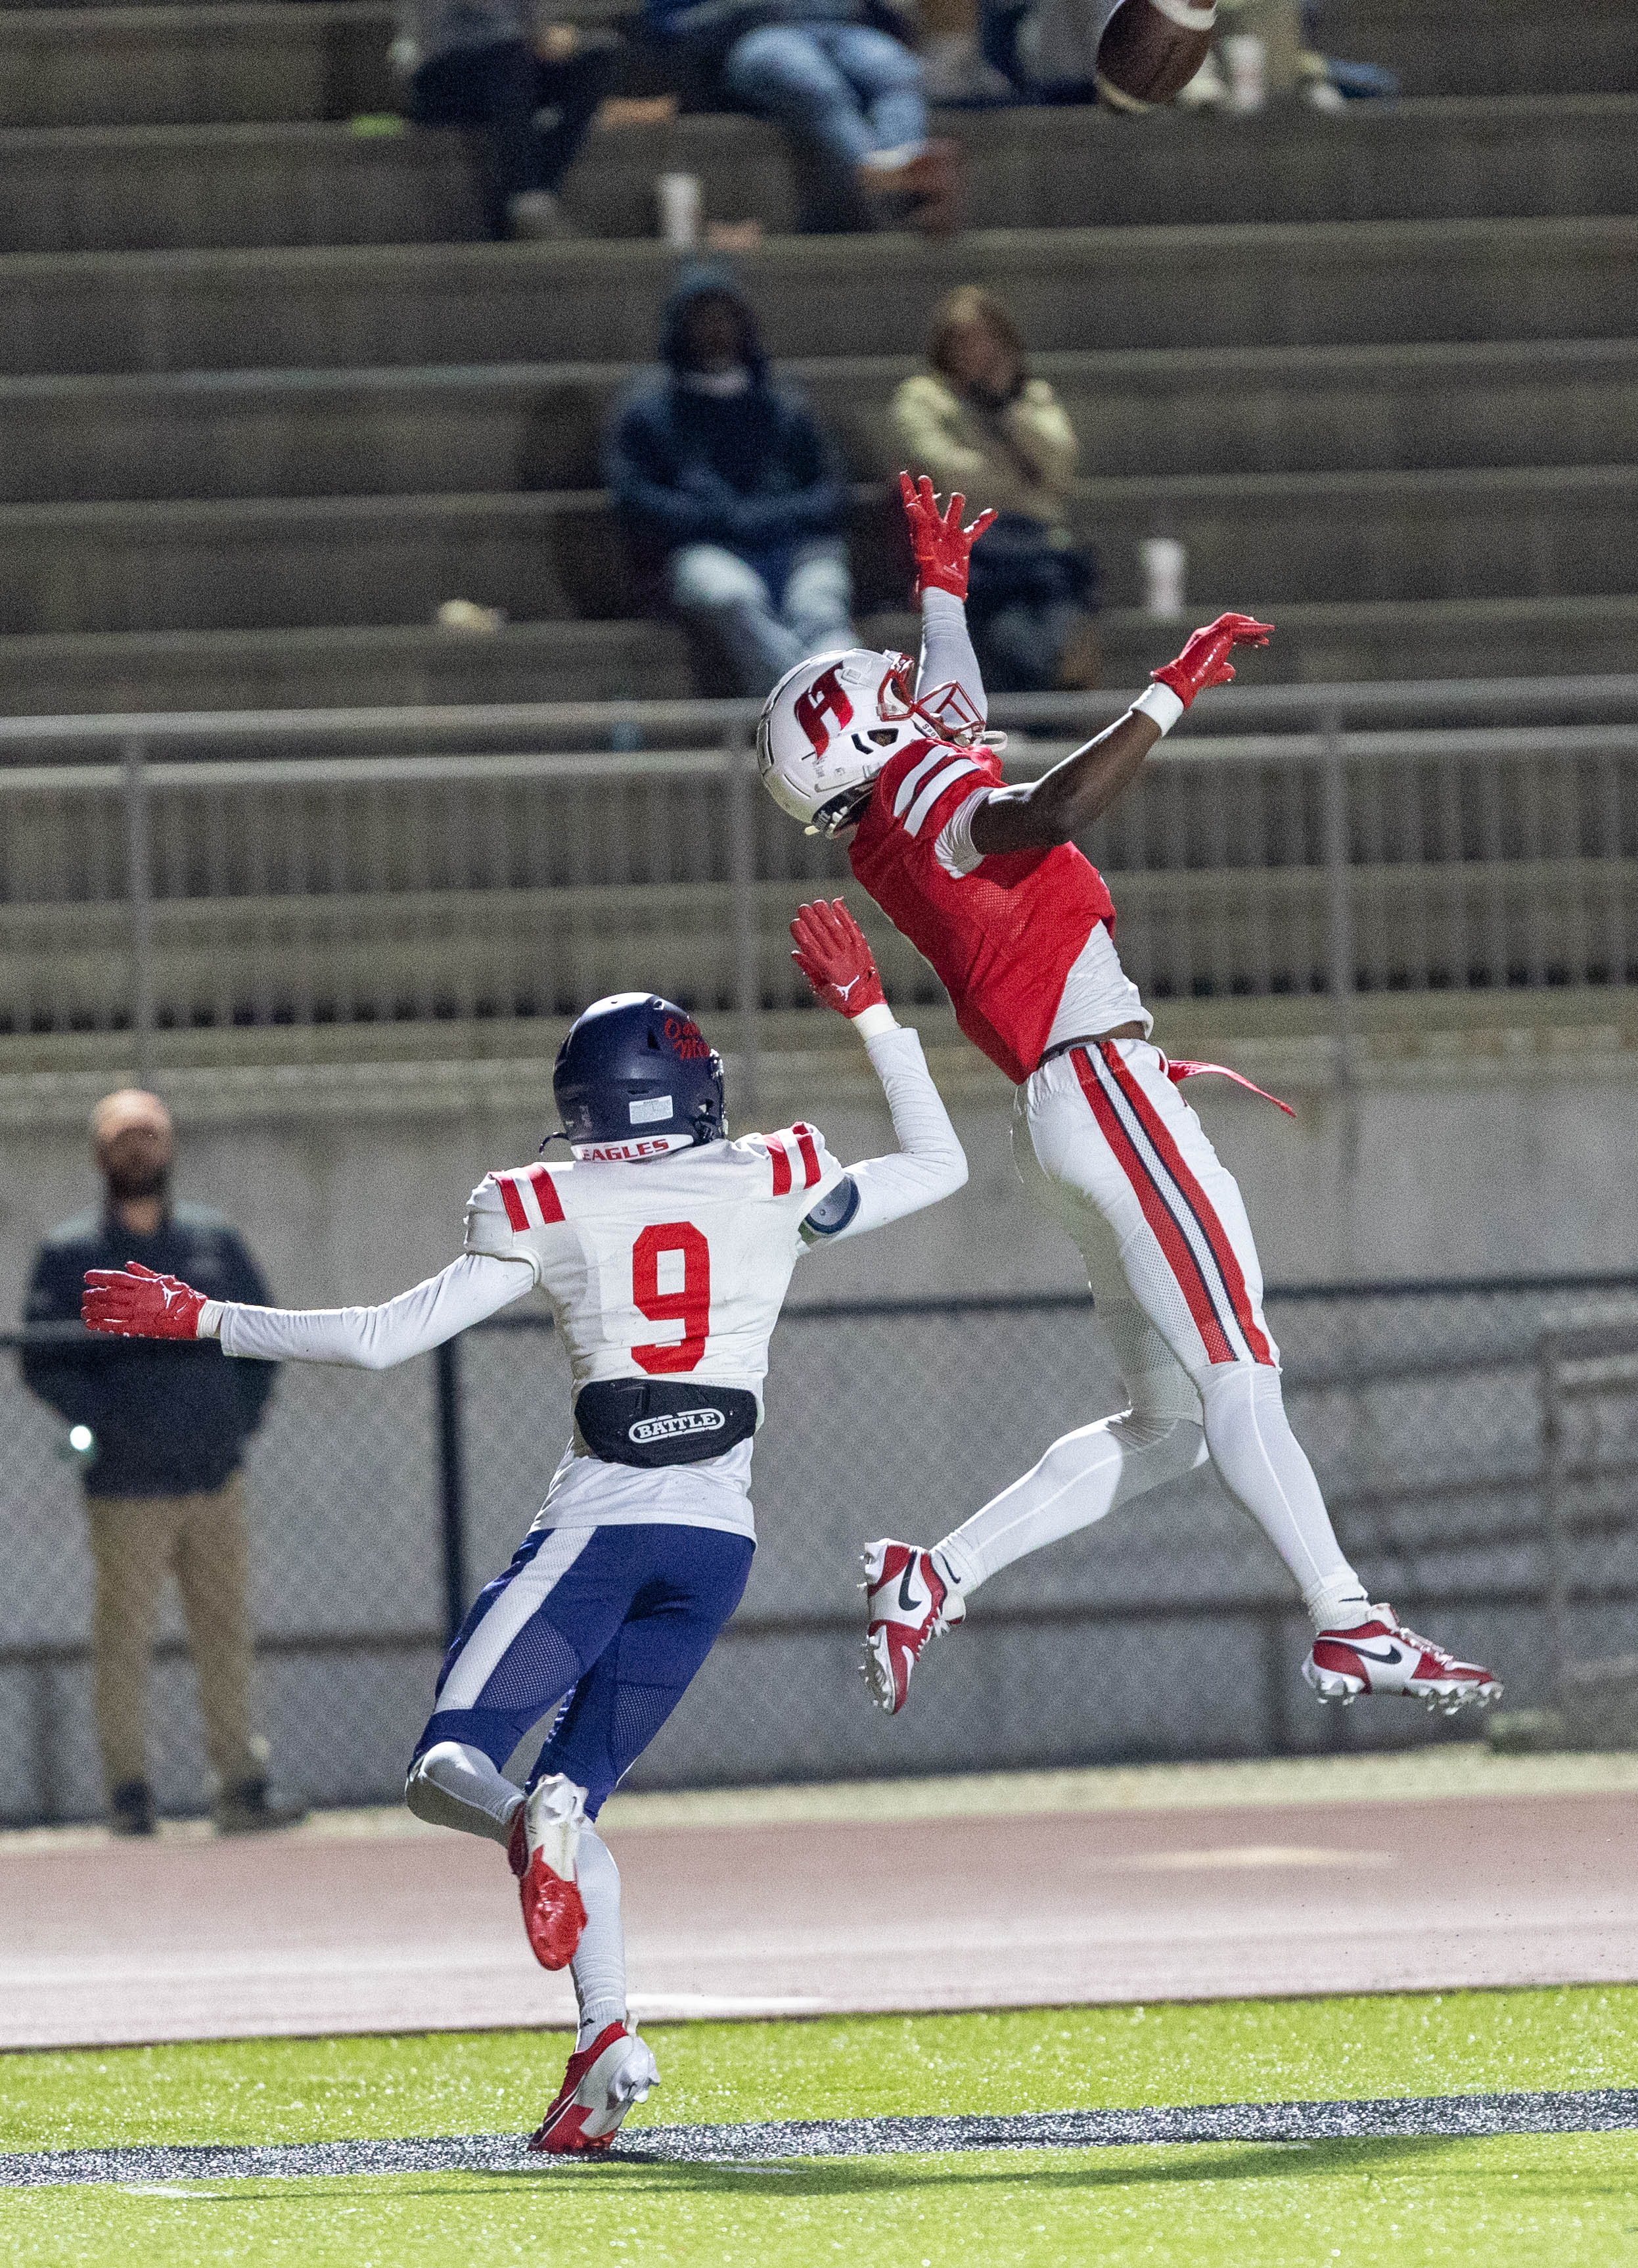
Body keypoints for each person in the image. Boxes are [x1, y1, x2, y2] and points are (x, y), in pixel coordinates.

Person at [83, 938, 965, 2151]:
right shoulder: (776, 1175)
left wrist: (206, 1315)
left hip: (601, 1528)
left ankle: (524, 1836)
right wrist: (870, 1011)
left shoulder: (542, 1201)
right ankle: (607, 2040)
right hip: (715, 1547)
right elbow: (938, 1159)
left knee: (451, 1766)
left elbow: (384, 1337)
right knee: (576, 1800)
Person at [754, 474, 1505, 1724]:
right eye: (881, 701)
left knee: (1171, 1425)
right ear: (864, 743)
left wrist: (942, 591)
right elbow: (1038, 804)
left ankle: (929, 1575)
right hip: (1100, 1081)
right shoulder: (926, 798)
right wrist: (1172, 688)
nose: (902, 694)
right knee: (1239, 1366)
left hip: (1065, 1106)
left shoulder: (890, 811)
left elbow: (947, 718)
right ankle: (1347, 1619)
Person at [21, 1090, 298, 1837]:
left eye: (149, 1135)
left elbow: (261, 1336)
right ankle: (130, 1792)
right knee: (123, 1640)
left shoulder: (213, 1242)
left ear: (170, 1147)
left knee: (226, 1633)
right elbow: (42, 1358)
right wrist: (101, 1423)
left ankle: (240, 1786)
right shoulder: (71, 1252)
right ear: (100, 1152)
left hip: (215, 1477)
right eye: (122, 1137)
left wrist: (239, 1421)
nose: (137, 1149)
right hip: (124, 1486)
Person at [605, 266, 856, 697]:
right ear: (679, 328)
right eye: (701, 319)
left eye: (725, 318)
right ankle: (813, 712)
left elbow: (831, 489)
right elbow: (633, 495)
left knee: (821, 610)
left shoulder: (786, 403)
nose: (714, 330)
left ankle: (842, 717)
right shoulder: (647, 411)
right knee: (731, 596)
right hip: (705, 548)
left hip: (797, 547)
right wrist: (711, 518)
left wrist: (769, 517)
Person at [893, 286, 1100, 694]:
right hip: (971, 545)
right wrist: (1020, 481)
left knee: (1059, 610)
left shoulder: (1029, 397)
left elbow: (1061, 464)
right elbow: (944, 472)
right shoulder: (923, 398)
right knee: (1011, 631)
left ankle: (1053, 701)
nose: (973, 349)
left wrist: (1005, 406)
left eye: (984, 336)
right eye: (962, 338)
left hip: (1038, 546)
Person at [645, 0, 958, 233]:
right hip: (760, 33)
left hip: (842, 28)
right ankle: (881, 176)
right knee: (817, 83)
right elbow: (667, 22)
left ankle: (906, 164)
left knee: (898, 70)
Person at [394, 0, 620, 240]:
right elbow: (425, 38)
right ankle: (526, 197)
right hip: (443, 75)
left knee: (603, 52)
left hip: (515, 70)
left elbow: (538, 27)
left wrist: (555, 38)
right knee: (509, 55)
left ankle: (538, 192)